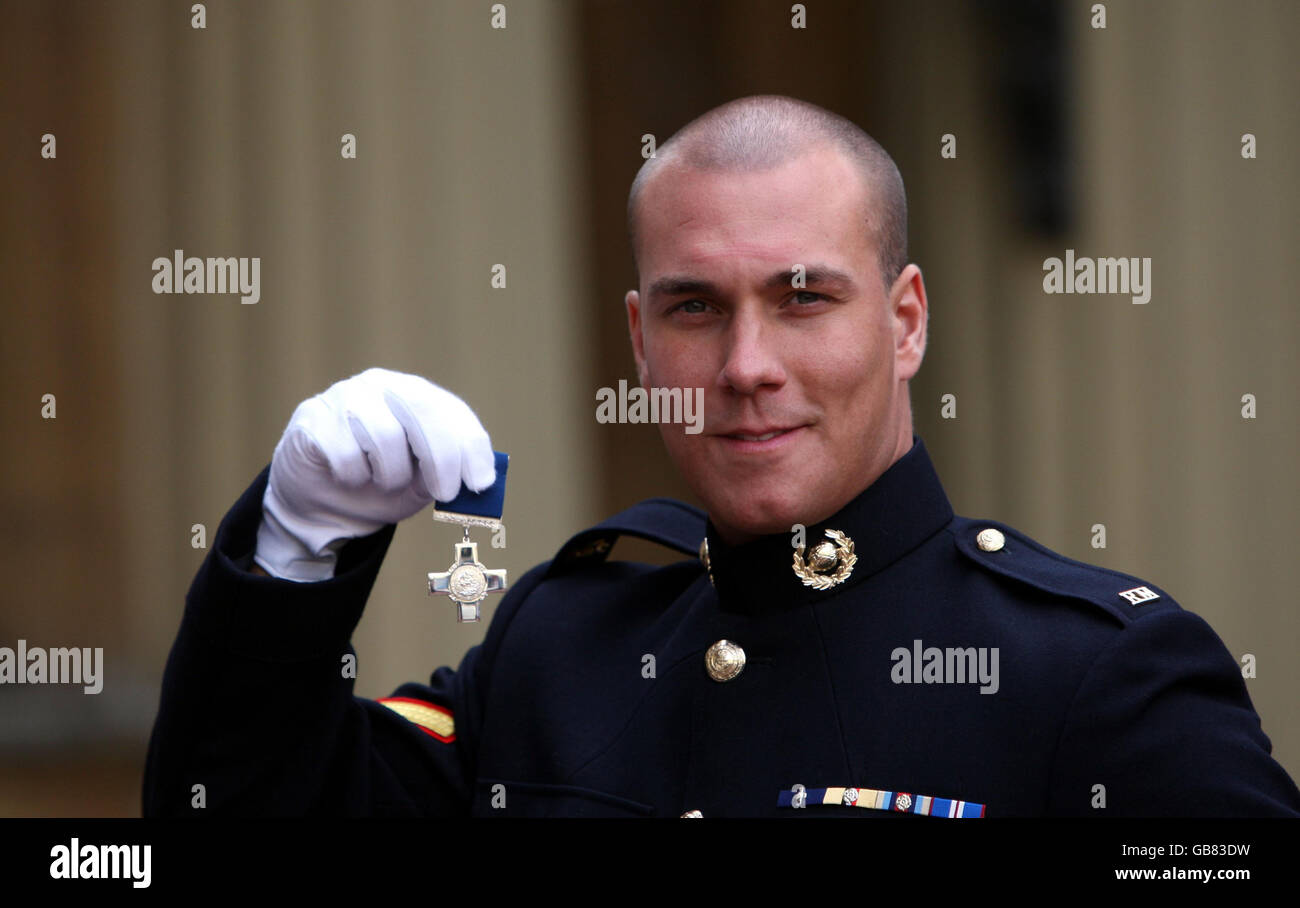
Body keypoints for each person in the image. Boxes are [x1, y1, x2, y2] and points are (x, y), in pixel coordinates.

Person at [143, 95, 1300, 817]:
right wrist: (297, 546)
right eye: (695, 307)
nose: (746, 362)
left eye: (803, 297)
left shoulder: (1097, 675)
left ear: (903, 322)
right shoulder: (561, 649)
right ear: (642, 338)